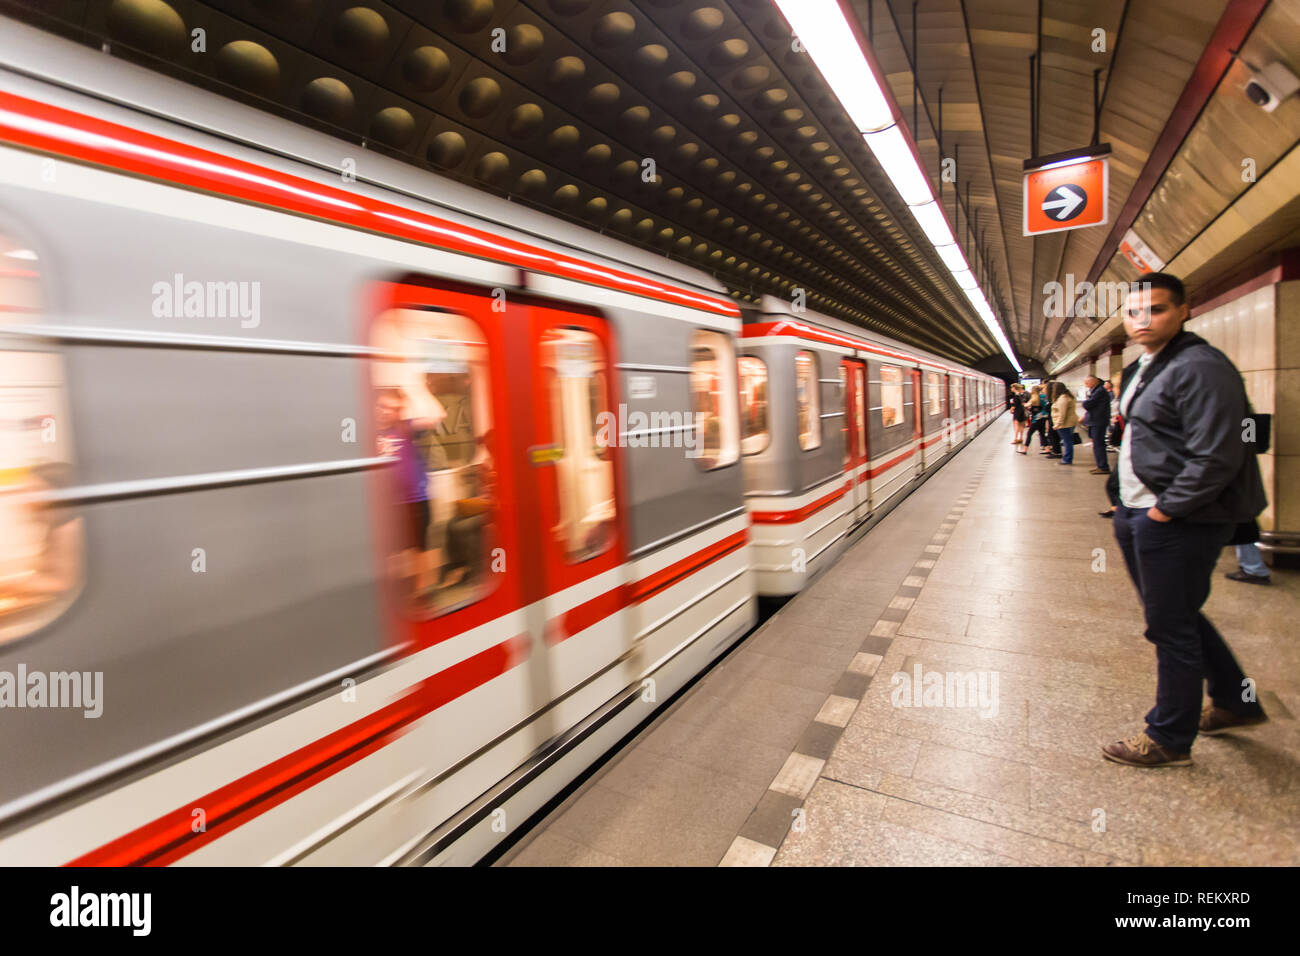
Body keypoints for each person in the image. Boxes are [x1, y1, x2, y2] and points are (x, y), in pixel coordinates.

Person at [1104, 272, 1268, 768]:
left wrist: (1163, 511)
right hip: (1139, 511)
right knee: (1179, 616)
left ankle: (1169, 738)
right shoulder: (1145, 367)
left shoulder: (1200, 367)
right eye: (1133, 311)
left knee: (1169, 628)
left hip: (1177, 519)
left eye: (1155, 310)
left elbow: (1218, 455)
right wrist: (1124, 501)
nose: (1142, 320)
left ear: (1183, 311)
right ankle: (1237, 700)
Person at [1081, 374, 1112, 474]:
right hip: (1096, 420)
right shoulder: (1097, 390)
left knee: (1098, 444)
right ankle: (1100, 465)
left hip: (1098, 421)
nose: (1085, 385)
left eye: (1087, 383)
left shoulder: (1099, 391)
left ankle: (1103, 467)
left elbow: (1088, 404)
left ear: (1093, 381)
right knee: (1097, 444)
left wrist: (1085, 403)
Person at [1050, 383, 1079, 465]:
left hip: (1065, 424)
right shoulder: (1067, 396)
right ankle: (1067, 458)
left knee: (1067, 442)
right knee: (1068, 441)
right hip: (1068, 423)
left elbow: (1062, 413)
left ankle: (1067, 459)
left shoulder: (1063, 399)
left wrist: (1057, 424)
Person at [1020, 385, 1048, 454]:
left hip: (1036, 419)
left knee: (1029, 434)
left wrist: (1024, 404)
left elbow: (1026, 405)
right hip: (1043, 417)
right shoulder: (1043, 397)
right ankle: (1047, 449)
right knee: (1042, 434)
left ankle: (1025, 449)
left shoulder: (1035, 398)